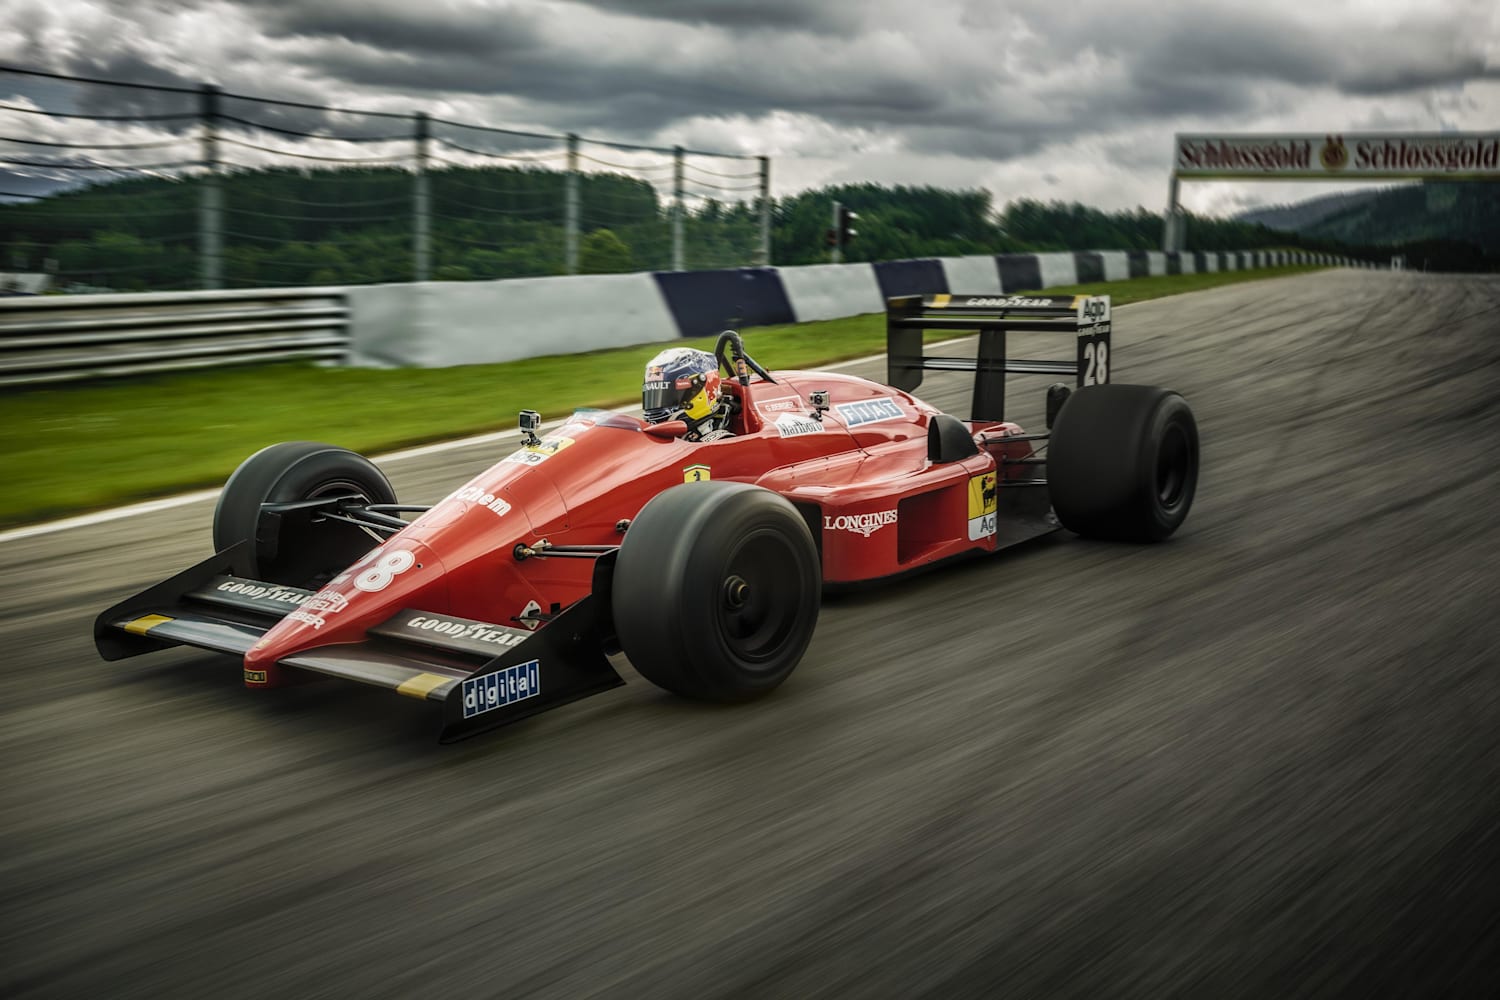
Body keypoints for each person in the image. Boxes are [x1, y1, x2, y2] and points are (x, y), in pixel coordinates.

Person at [641, 347, 734, 440]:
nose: (657, 408)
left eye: (668, 397)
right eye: (654, 396)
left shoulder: (718, 442)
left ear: (700, 394)